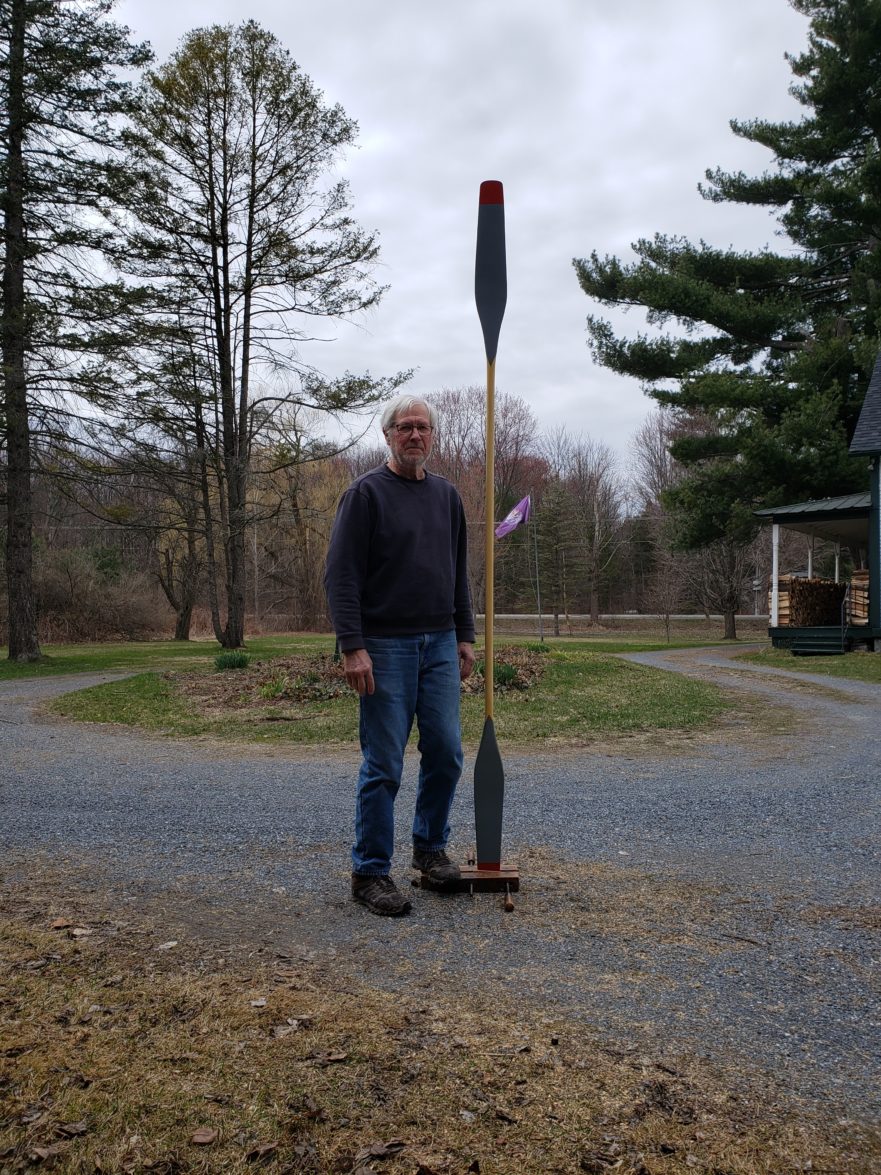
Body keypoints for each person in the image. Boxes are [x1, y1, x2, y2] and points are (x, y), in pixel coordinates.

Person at [324, 394, 476, 916]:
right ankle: (369, 872)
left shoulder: (447, 497)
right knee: (384, 763)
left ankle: (430, 849)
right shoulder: (364, 496)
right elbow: (340, 577)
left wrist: (464, 635)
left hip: (438, 643)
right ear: (387, 435)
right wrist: (353, 647)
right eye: (405, 427)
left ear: (434, 437)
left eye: (423, 428)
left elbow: (458, 574)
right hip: (383, 648)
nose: (415, 435)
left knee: (447, 753)